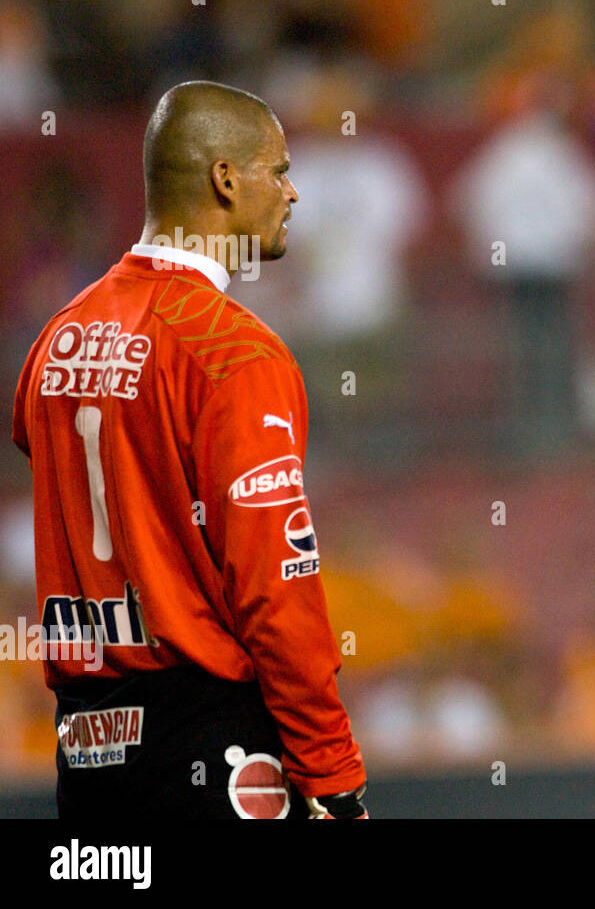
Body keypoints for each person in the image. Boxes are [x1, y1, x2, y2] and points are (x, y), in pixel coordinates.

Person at [11, 80, 367, 818]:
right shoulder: (239, 354)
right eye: (279, 169)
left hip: (88, 751)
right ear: (226, 180)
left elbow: (43, 449)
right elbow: (275, 583)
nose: (293, 193)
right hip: (215, 746)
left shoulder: (56, 339)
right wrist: (331, 767)